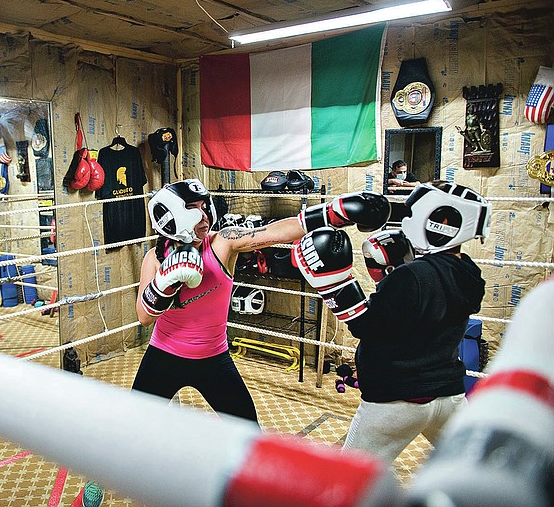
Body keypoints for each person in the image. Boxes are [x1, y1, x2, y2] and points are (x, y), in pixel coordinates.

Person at [133, 178, 390, 424]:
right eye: (192, 208)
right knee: (131, 427)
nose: (204, 216)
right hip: (164, 355)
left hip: (213, 359)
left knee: (248, 428)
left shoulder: (222, 243)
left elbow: (273, 232)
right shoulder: (154, 259)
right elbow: (145, 318)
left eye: (204, 206)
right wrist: (163, 284)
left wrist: (334, 212)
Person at [292, 180, 491, 464]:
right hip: (449, 396)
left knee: (350, 480)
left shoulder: (410, 277)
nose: (408, 219)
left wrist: (334, 285)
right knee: (471, 472)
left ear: (441, 220)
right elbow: (423, 308)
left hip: (397, 401)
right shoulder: (470, 274)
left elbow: (367, 326)